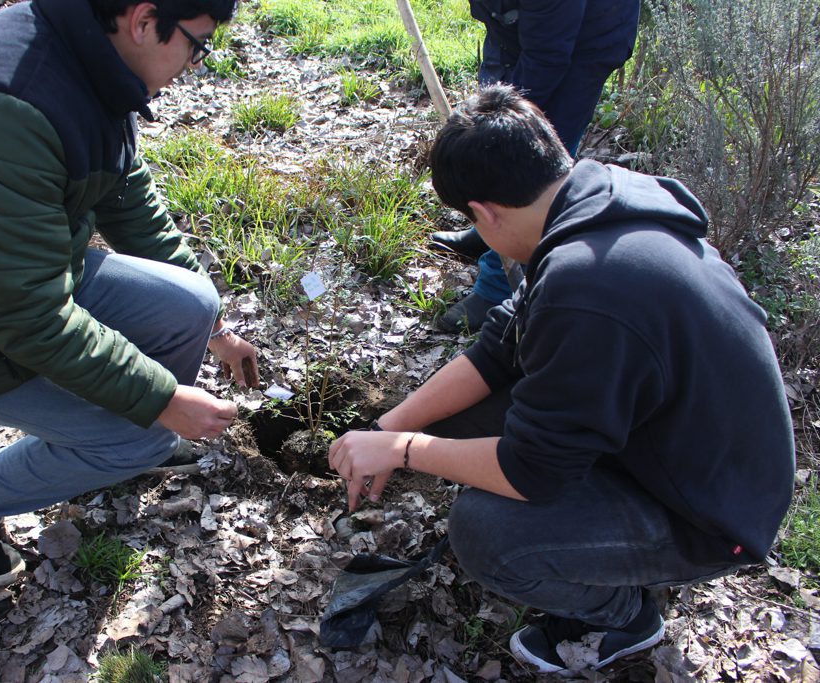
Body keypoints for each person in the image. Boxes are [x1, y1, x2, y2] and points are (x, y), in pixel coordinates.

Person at [329, 86, 795, 673]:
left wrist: (404, 449)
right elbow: (501, 347)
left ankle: (624, 618)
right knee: (457, 416)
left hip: (711, 513)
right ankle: (603, 543)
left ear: (484, 214)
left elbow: (532, 472)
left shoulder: (585, 288)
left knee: (485, 531)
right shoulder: (593, 200)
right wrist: (387, 428)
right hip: (681, 446)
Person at [0, 0, 258, 589]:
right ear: (143, 20)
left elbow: (126, 195)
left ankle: (128, 439)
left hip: (19, 270)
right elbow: (27, 319)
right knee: (136, 434)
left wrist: (215, 333)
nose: (196, 61)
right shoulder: (3, 108)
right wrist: (160, 400)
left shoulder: (89, 53)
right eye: (198, 43)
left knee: (190, 305)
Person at [433, 0, 641, 332]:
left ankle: (498, 289)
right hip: (524, 29)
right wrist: (486, 103)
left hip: (586, 43)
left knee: (525, 160)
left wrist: (502, 127)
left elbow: (548, 57)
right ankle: (487, 230)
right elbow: (500, 31)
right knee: (492, 146)